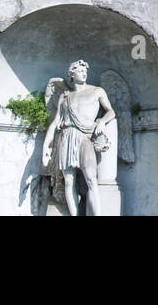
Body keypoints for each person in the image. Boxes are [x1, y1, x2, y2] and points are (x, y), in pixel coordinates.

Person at [42, 59, 116, 216]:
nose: (84, 73)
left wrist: (102, 121)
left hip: (84, 138)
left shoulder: (97, 91)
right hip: (66, 137)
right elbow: (55, 122)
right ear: (71, 74)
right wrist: (45, 149)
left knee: (91, 179)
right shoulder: (65, 96)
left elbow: (111, 111)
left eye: (85, 71)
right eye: (80, 70)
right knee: (68, 181)